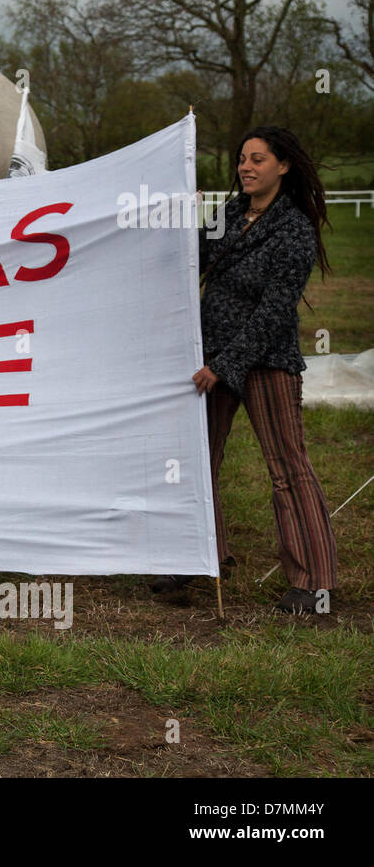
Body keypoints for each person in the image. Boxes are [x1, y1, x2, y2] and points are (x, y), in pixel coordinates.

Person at [153, 126, 338, 614]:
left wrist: (226, 364)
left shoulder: (294, 229)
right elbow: (192, 260)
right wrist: (183, 221)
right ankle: (200, 556)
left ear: (283, 166)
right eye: (242, 159)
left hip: (265, 362)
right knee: (198, 463)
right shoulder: (232, 214)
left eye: (258, 159)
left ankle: (313, 582)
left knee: (287, 469)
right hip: (210, 358)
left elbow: (274, 310)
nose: (246, 167)